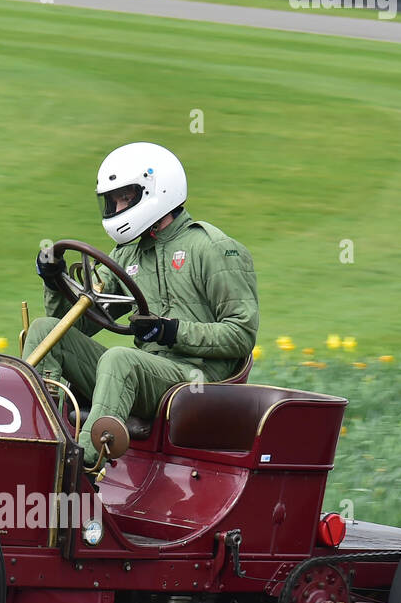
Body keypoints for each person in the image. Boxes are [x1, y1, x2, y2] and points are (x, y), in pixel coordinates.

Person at [26, 141, 259, 466]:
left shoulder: (214, 249)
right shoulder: (127, 256)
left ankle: (81, 464)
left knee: (121, 360)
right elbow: (71, 326)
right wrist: (55, 280)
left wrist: (170, 332)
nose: (117, 208)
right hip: (148, 373)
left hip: (198, 380)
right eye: (113, 200)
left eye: (126, 198)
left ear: (157, 190)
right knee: (43, 330)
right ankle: (33, 436)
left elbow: (241, 335)